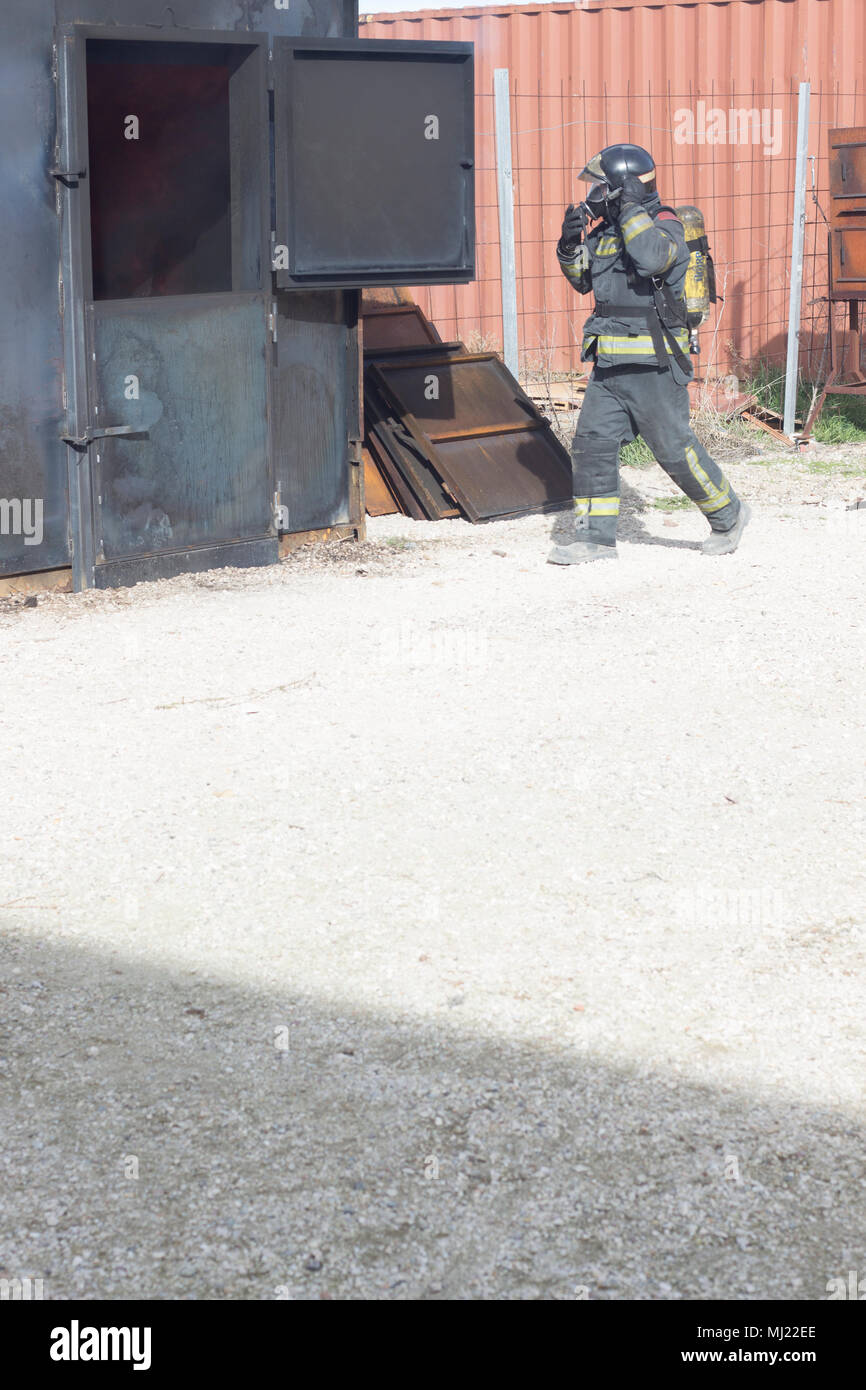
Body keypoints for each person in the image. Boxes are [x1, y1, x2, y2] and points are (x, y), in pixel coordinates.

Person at [548, 143, 750, 564]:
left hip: (655, 363)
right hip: (609, 363)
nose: (593, 193)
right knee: (591, 444)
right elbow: (583, 281)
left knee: (673, 449)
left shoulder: (664, 225)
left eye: (602, 186)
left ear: (624, 186)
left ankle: (729, 515)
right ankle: (595, 539)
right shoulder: (605, 232)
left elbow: (652, 259)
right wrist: (569, 246)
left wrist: (631, 210)